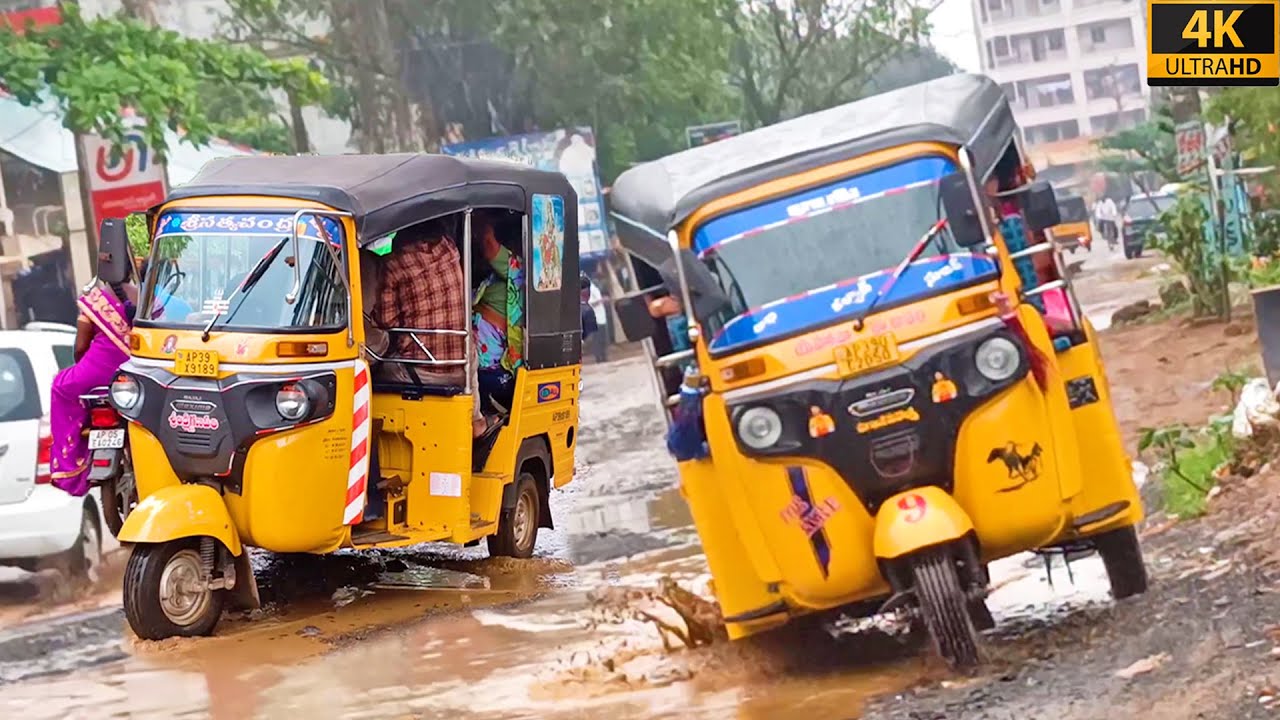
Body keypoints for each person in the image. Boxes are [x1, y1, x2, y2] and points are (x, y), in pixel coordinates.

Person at [373, 218, 483, 433]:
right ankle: (476, 420)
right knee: (470, 349)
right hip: (462, 367)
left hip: (422, 370)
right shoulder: (450, 249)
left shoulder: (394, 264)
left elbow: (386, 321)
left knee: (371, 370)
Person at [50, 272, 138, 497]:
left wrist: (83, 366)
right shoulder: (143, 297)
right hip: (134, 374)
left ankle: (72, 463)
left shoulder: (95, 299)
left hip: (94, 373)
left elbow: (80, 347)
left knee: (60, 386)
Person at [470, 211, 523, 432]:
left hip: (487, 364)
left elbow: (489, 244)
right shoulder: (504, 273)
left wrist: (481, 219)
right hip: (483, 358)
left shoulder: (517, 267)